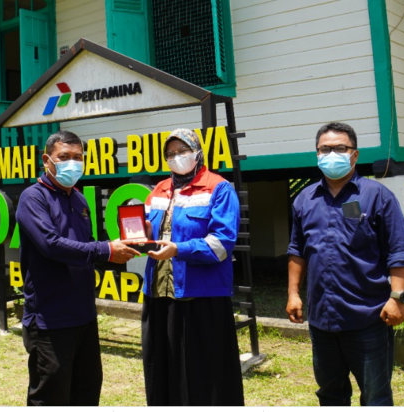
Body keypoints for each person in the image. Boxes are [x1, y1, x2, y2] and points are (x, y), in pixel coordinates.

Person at [286, 122, 404, 406]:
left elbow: (398, 251)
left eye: (340, 148)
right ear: (317, 154)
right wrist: (294, 294)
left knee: (375, 397)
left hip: (368, 318)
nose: (332, 154)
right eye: (325, 149)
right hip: (322, 320)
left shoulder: (378, 196)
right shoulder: (304, 200)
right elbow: (297, 250)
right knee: (330, 395)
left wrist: (397, 298)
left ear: (354, 155)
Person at [15, 130, 141, 406]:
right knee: (51, 396)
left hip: (83, 315)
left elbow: (84, 246)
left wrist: (120, 247)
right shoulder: (33, 198)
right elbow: (51, 245)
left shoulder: (80, 199)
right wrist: (106, 249)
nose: (72, 163)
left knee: (87, 390)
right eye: (64, 157)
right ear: (46, 160)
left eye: (78, 157)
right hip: (50, 318)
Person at [141, 128, 244, 406]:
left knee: (203, 376)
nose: (176, 157)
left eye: (183, 151)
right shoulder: (160, 189)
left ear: (197, 152)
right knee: (160, 370)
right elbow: (150, 233)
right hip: (159, 296)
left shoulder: (219, 188)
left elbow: (222, 243)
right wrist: (139, 235)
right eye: (170, 153)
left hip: (200, 298)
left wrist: (179, 250)